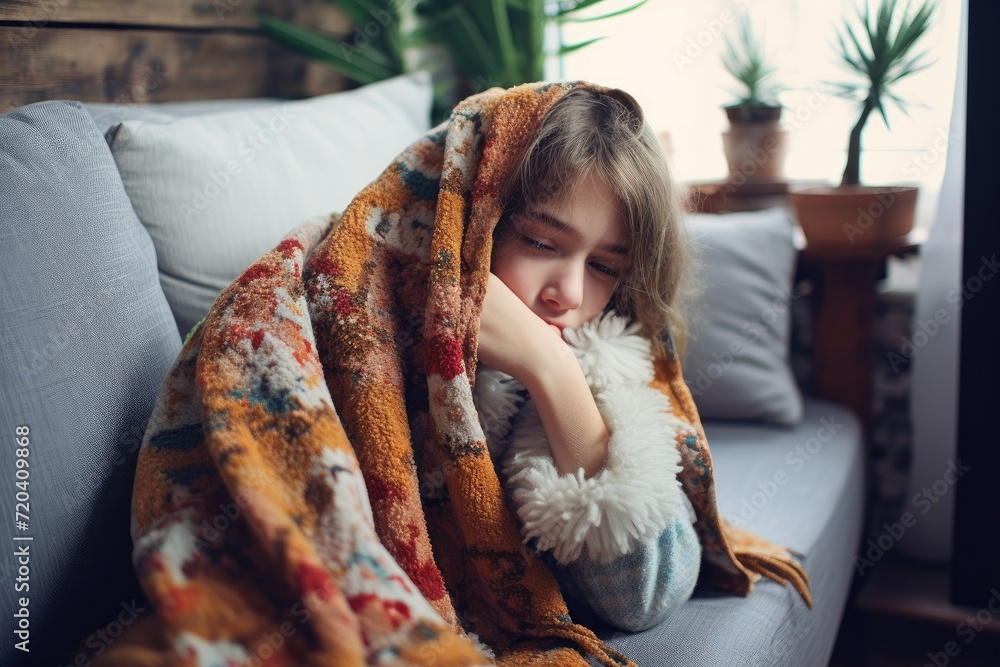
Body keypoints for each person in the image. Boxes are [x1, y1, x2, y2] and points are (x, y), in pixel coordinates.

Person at [472, 87, 703, 632]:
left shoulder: (605, 364)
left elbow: (647, 596)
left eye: (603, 267)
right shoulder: (372, 326)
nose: (569, 293)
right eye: (541, 242)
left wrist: (552, 371)